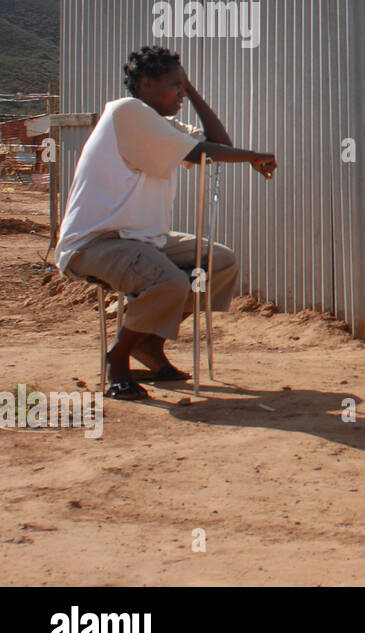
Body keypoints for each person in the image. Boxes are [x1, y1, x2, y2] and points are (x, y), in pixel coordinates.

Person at [54, 46, 277, 400]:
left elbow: (218, 145)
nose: (182, 94)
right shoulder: (127, 112)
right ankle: (118, 359)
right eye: (175, 86)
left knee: (219, 263)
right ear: (146, 84)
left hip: (142, 239)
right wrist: (251, 156)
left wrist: (192, 89)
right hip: (95, 243)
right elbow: (200, 153)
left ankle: (148, 344)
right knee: (170, 282)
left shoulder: (162, 125)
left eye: (184, 86)